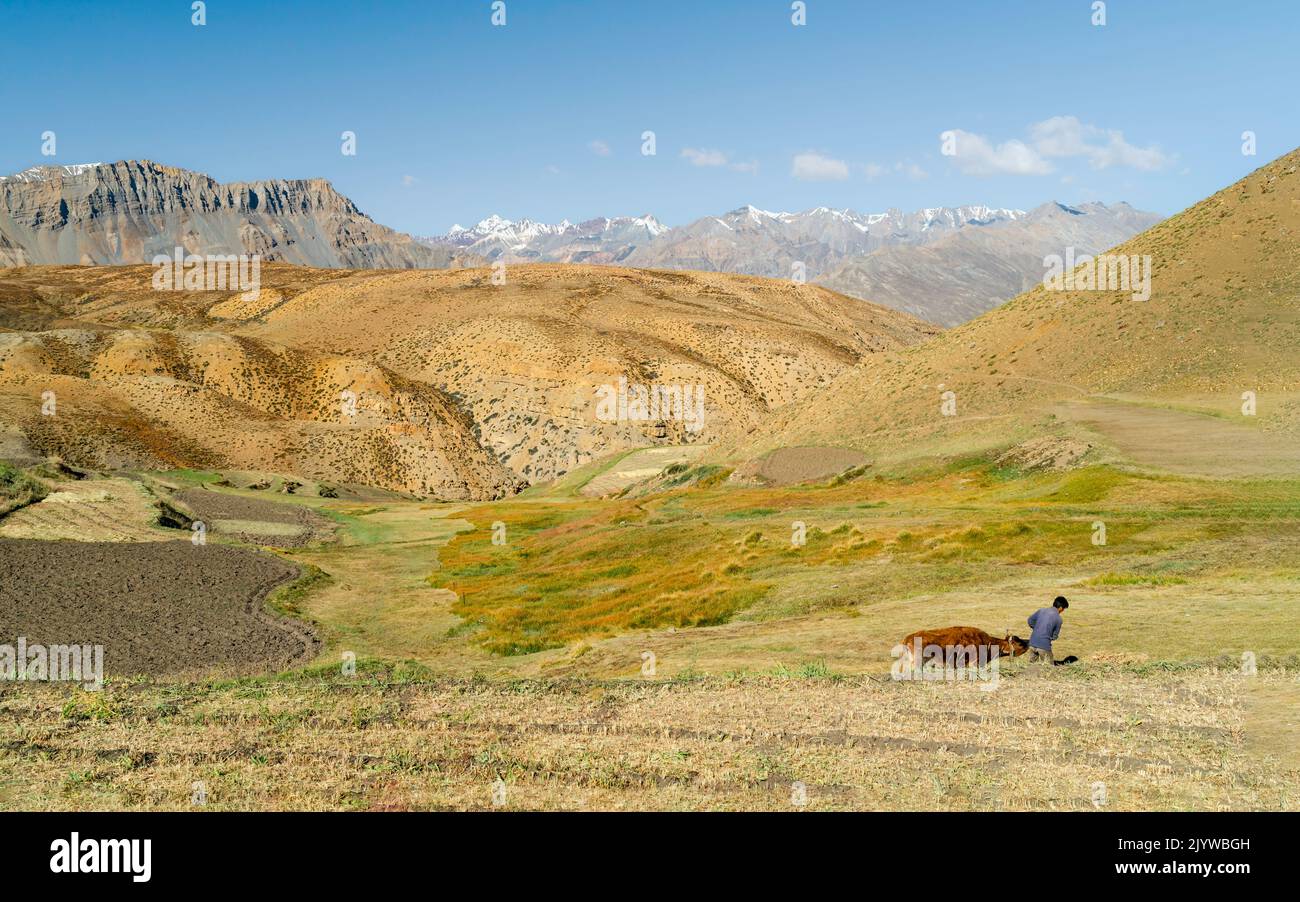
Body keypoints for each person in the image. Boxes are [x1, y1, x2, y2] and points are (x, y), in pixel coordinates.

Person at [1026, 596, 1068, 665]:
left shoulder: (1041, 610)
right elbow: (1054, 636)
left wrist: (1037, 628)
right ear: (1060, 608)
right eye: (1063, 609)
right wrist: (1048, 636)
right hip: (1044, 646)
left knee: (1031, 666)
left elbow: (1030, 621)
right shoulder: (1058, 619)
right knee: (1049, 668)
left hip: (1032, 643)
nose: (1062, 611)